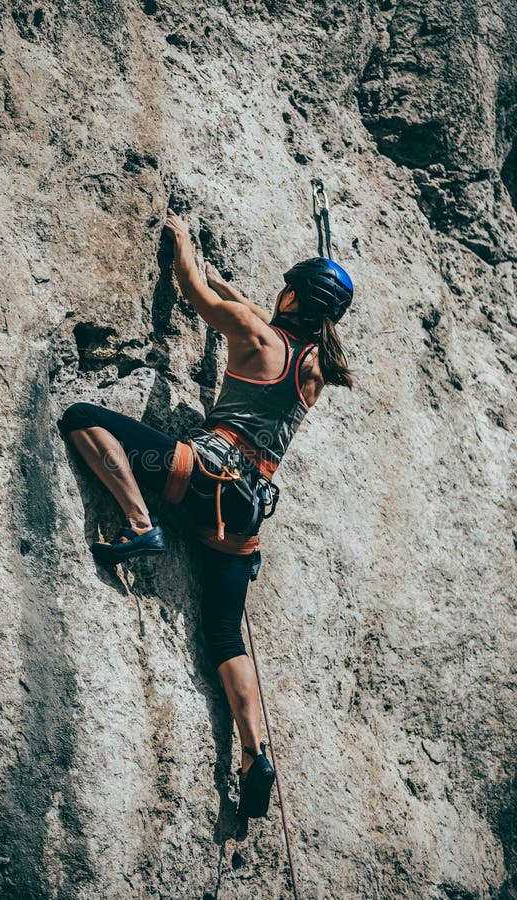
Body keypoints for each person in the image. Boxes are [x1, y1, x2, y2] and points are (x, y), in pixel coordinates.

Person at [57, 208, 354, 819]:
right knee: (224, 633)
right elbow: (244, 307)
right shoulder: (318, 367)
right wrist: (227, 285)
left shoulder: (255, 334)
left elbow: (190, 288)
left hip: (199, 477)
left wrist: (185, 242)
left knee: (82, 419)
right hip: (244, 516)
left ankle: (140, 525)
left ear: (292, 294)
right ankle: (254, 753)